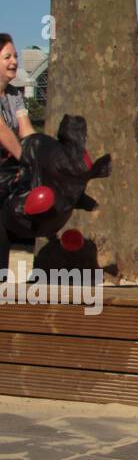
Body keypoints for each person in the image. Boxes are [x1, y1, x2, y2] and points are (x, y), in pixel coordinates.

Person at [0, 34, 35, 278]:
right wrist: (26, 159)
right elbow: (2, 131)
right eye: (7, 57)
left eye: (15, 57)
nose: (14, 61)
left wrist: (42, 152)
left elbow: (26, 130)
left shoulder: (14, 95)